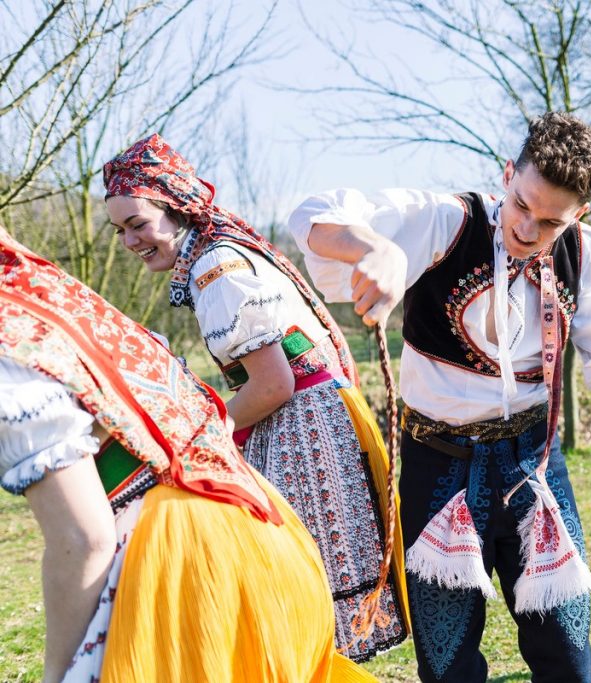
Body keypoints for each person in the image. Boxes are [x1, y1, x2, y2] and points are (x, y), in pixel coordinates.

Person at [287, 111, 591, 683]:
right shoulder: (446, 223)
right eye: (521, 204)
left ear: (579, 215)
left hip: (533, 463)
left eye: (551, 221)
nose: (529, 229)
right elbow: (313, 215)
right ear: (508, 175)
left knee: (566, 645)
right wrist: (375, 250)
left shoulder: (585, 256)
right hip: (438, 463)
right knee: (447, 656)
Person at [0, 227, 375, 682]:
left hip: (193, 566)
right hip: (270, 540)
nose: (128, 240)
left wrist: (57, 672)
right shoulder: (58, 300)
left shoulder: (12, 350)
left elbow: (84, 541)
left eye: (136, 224)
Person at [102, 135, 409, 662]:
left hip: (300, 432)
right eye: (120, 230)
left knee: (297, 603)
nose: (130, 241)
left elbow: (272, 385)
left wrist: (198, 436)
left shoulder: (216, 269)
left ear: (176, 208)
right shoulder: (220, 253)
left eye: (138, 224)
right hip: (311, 418)